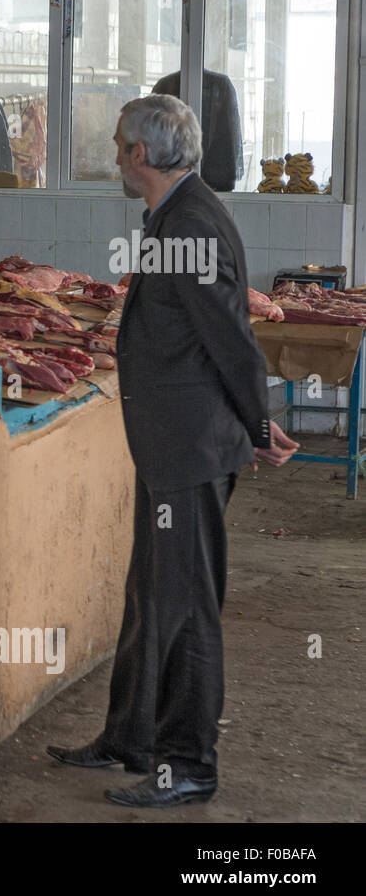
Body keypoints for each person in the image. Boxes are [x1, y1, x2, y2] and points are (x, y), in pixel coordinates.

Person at [45, 94, 298, 808]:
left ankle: (188, 764)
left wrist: (258, 424)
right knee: (150, 595)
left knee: (186, 608)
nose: (116, 153)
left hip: (190, 447)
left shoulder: (189, 223)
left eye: (120, 142)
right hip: (170, 444)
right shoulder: (175, 214)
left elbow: (229, 337)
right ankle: (131, 738)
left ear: (140, 156)